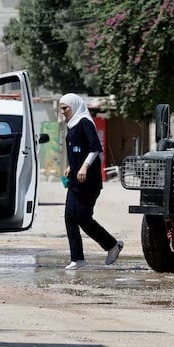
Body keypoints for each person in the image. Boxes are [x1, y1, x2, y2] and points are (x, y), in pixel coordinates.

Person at [59, 93, 122, 270]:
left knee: (83, 218)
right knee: (70, 217)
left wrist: (84, 166)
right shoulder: (71, 125)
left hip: (89, 180)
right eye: (61, 109)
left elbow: (95, 148)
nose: (63, 112)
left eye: (65, 108)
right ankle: (77, 258)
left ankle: (112, 245)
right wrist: (72, 166)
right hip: (75, 179)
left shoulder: (85, 122)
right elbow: (77, 149)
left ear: (74, 106)